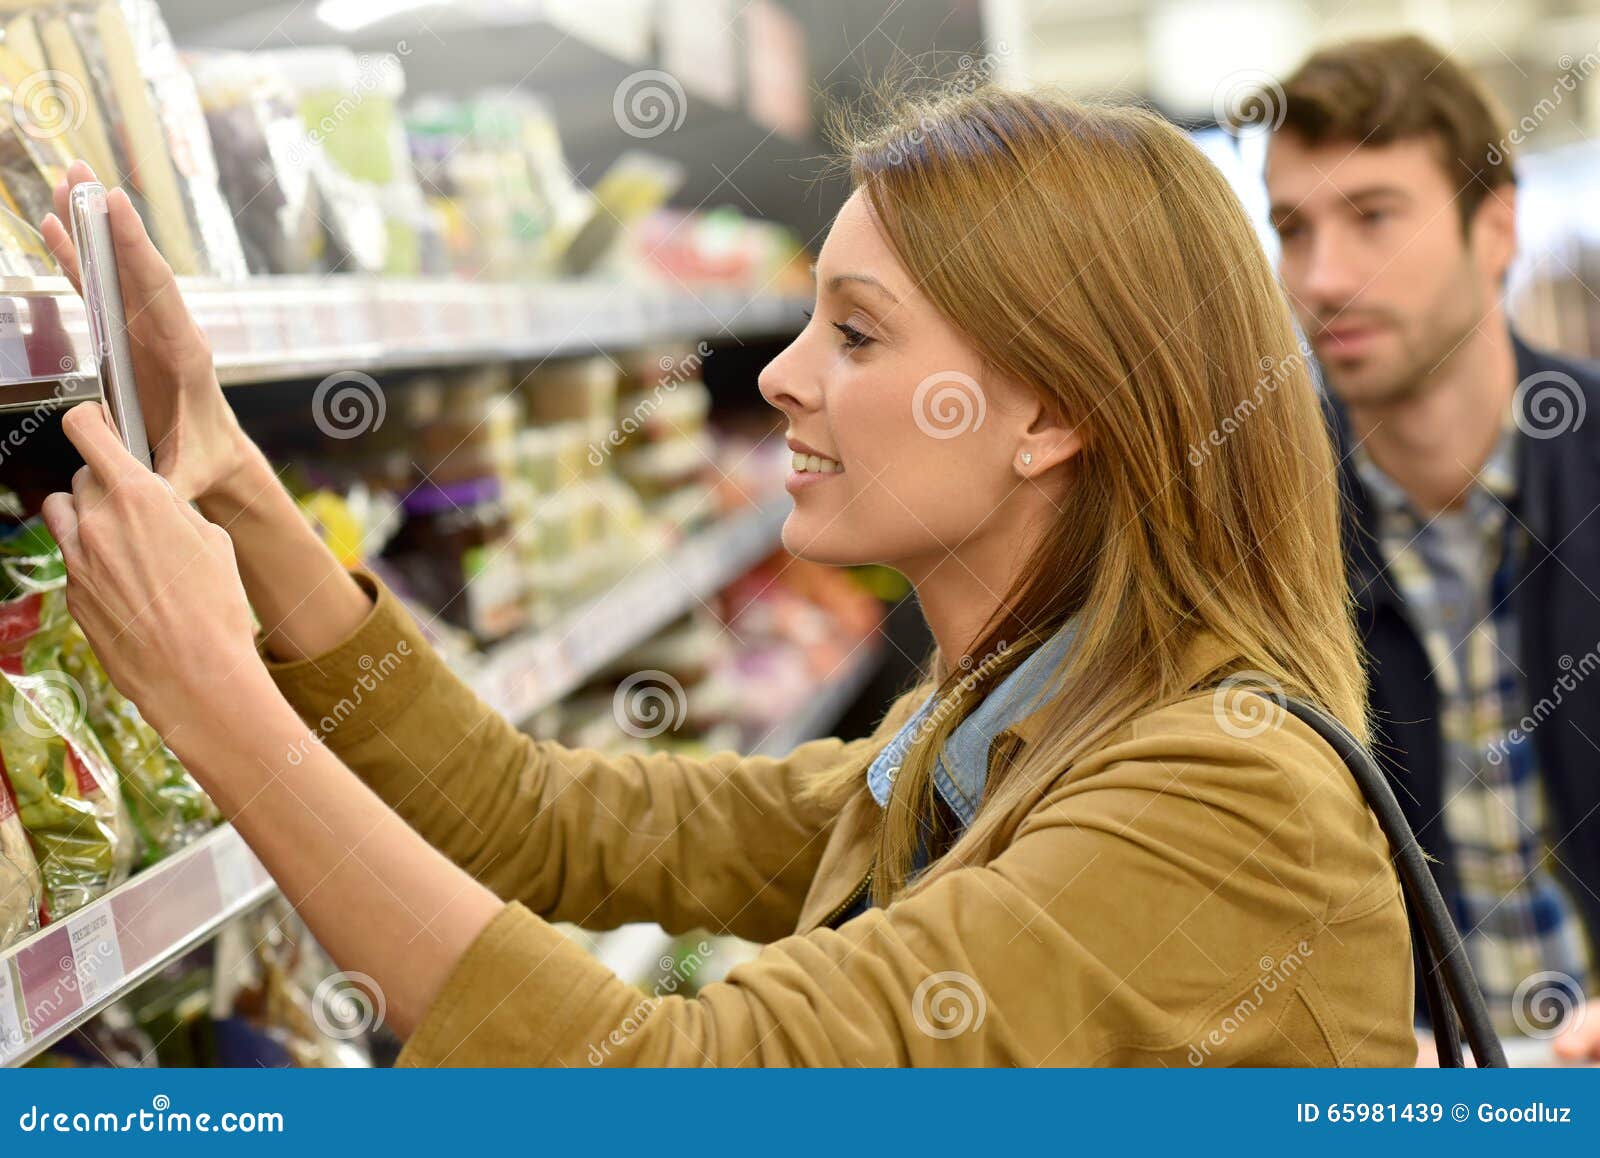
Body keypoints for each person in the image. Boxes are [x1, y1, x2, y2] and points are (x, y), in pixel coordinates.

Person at [37, 85, 1416, 1066]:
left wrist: (216, 698)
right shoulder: (986, 739)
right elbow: (535, 819)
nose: (780, 377)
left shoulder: (1218, 804)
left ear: (1052, 413)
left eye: (856, 335)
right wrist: (241, 487)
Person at [1261, 34, 1600, 1061]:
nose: (1322, 278)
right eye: (1292, 229)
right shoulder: (1249, 533)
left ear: (1494, 227)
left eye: (1372, 217)